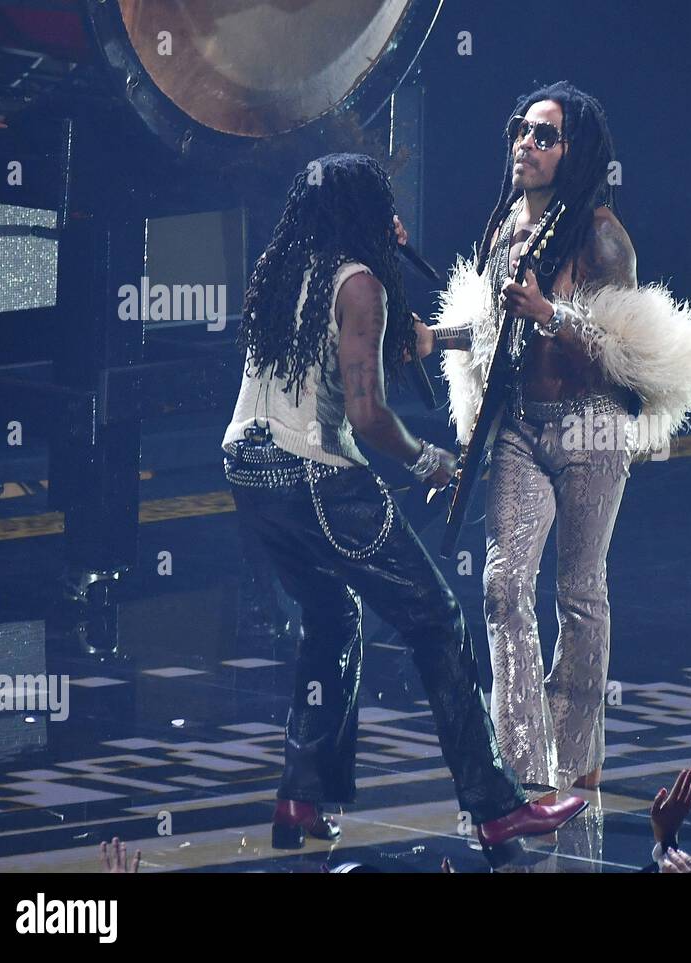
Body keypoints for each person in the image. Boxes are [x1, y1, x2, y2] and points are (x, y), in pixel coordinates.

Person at [221, 152, 585, 867]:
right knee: (437, 621)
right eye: (381, 205)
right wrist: (429, 460)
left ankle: (303, 790)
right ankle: (498, 807)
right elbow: (367, 413)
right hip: (317, 476)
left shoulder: (283, 269)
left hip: (246, 471)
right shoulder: (358, 285)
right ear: (362, 213)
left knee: (331, 616)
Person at [424, 83, 691, 796]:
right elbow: (496, 336)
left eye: (544, 135)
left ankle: (576, 749)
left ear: (573, 151)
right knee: (501, 584)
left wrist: (553, 315)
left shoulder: (602, 234)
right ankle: (524, 761)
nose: (526, 143)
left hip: (590, 427)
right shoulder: (502, 232)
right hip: (521, 427)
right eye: (521, 130)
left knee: (580, 591)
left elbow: (625, 351)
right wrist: (438, 335)